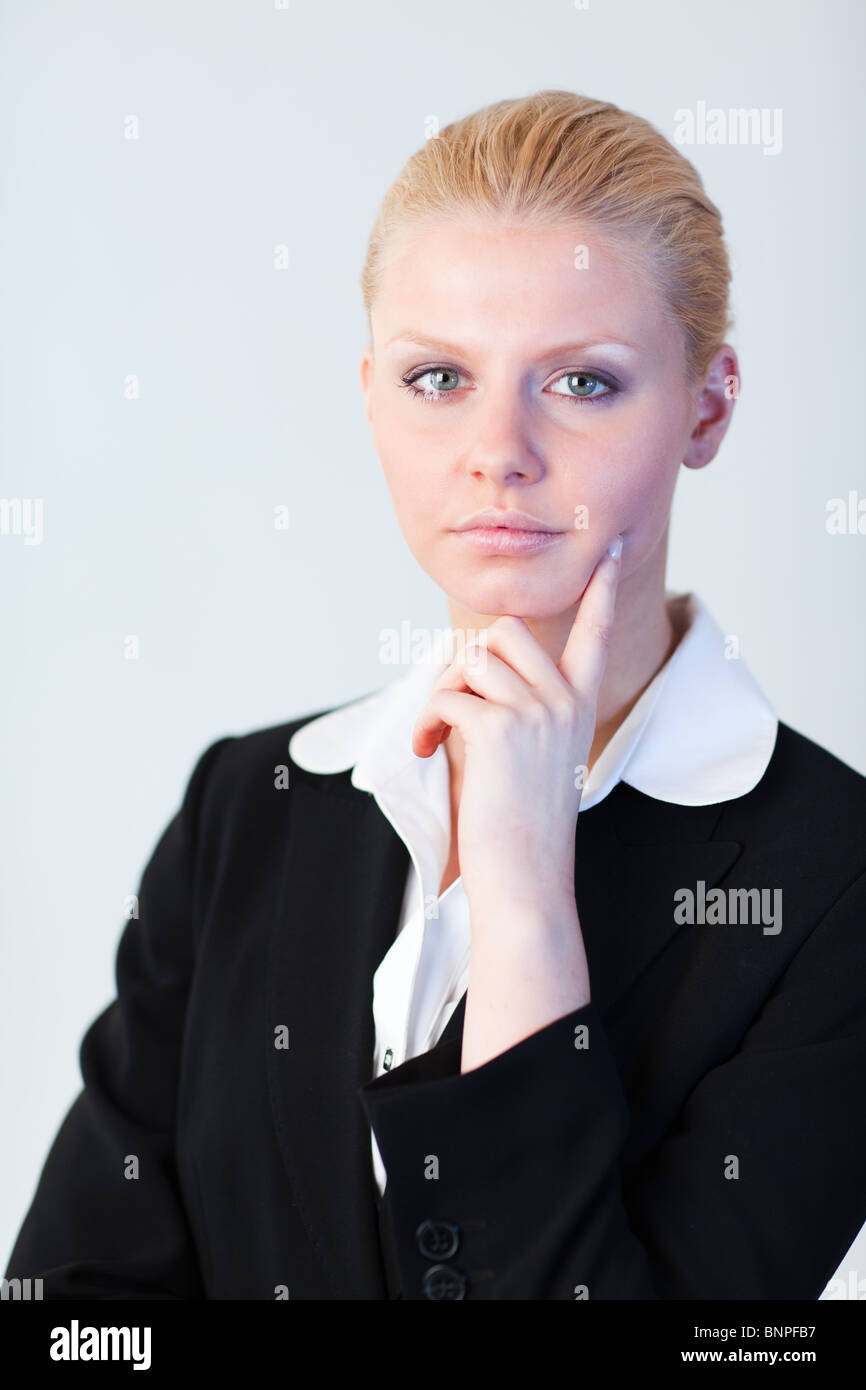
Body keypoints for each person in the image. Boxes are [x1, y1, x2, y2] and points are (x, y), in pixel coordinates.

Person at [6, 89, 866, 1301]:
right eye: (438, 376)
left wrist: (523, 906)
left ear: (707, 404)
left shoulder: (834, 880)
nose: (496, 450)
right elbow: (76, 1311)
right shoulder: (245, 804)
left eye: (582, 382)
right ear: (371, 394)